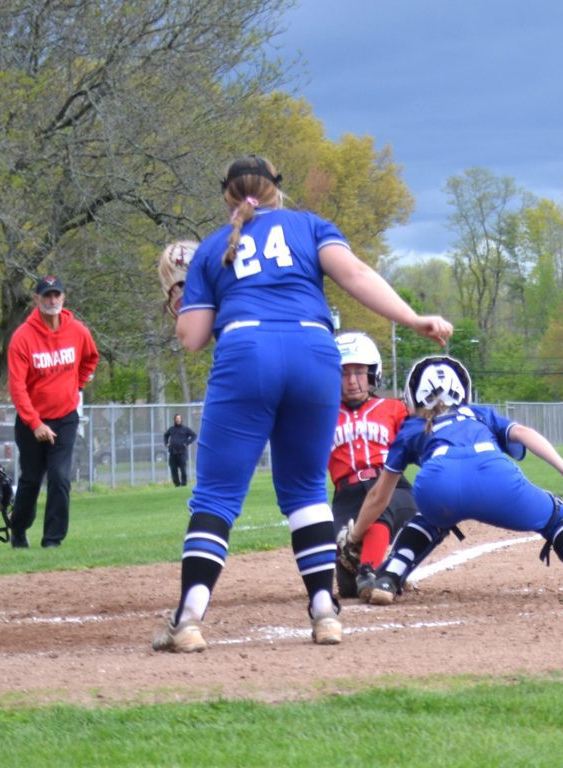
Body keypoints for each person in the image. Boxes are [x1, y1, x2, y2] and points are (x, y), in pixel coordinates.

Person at [151, 155, 453, 653]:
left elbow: (193, 338)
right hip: (314, 353)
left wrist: (183, 297)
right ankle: (323, 611)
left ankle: (187, 620)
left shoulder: (211, 250)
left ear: (227, 195)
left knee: (217, 498)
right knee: (307, 491)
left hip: (246, 353)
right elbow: (354, 274)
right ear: (276, 190)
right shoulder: (309, 226)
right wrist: (413, 317)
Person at [344, 355, 563, 606]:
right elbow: (522, 434)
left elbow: (378, 498)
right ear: (462, 390)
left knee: (428, 520)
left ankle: (388, 578)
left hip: (437, 483)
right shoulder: (477, 413)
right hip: (495, 475)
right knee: (561, 517)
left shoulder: (411, 427)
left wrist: (355, 536)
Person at [7, 275, 100, 549]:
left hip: (65, 417)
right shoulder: (22, 338)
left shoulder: (78, 331)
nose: (52, 300)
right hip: (31, 422)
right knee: (31, 480)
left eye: (56, 294)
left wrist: (78, 384)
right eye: (46, 295)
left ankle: (53, 540)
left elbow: (91, 358)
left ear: (64, 297)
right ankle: (19, 530)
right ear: (36, 299)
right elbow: (17, 388)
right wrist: (35, 424)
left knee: (60, 476)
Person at [329, 331, 417, 602]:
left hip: (391, 486)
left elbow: (421, 441)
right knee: (346, 587)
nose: (352, 381)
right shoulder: (322, 415)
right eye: (344, 373)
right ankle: (385, 568)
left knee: (381, 507)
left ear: (373, 374)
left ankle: (372, 571)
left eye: (359, 372)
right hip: (347, 496)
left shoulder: (394, 409)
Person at [163, 414, 197, 487]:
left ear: (181, 419)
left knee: (183, 469)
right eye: (176, 418)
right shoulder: (171, 429)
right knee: (173, 469)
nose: (178, 420)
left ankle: (184, 483)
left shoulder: (185, 429)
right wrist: (166, 443)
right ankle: (177, 484)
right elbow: (166, 435)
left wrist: (187, 443)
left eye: (179, 418)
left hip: (182, 452)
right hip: (172, 452)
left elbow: (194, 435)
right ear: (174, 420)